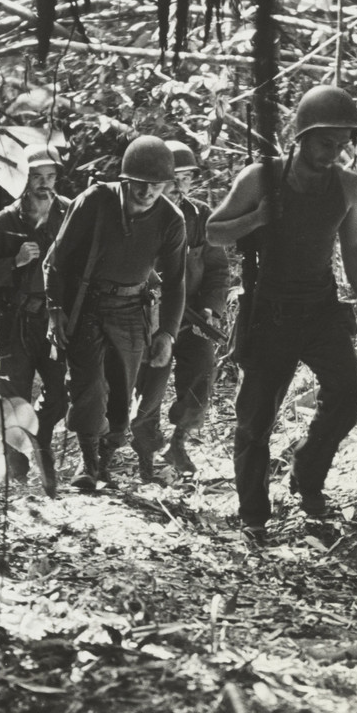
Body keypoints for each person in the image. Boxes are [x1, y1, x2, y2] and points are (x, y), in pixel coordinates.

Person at [206, 85, 357, 541]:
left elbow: (353, 249)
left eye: (343, 145)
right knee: (255, 419)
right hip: (269, 313)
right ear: (302, 136)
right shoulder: (261, 178)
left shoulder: (346, 185)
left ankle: (307, 476)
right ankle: (253, 514)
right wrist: (257, 219)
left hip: (321, 310)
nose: (334, 153)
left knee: (346, 395)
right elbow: (213, 233)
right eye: (326, 143)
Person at [45, 135, 186, 491]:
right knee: (88, 385)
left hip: (131, 309)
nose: (148, 192)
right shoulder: (95, 202)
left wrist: (167, 333)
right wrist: (54, 309)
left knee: (122, 394)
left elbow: (175, 283)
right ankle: (88, 463)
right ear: (126, 180)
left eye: (157, 186)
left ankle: (106, 460)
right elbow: (56, 261)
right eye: (140, 184)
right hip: (87, 304)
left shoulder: (171, 220)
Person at [0, 145, 71, 496]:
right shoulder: (6, 220)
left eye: (51, 177)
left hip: (56, 321)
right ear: (24, 180)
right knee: (13, 400)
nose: (45, 184)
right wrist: (15, 261)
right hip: (16, 322)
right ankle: (20, 475)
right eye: (37, 177)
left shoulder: (70, 213)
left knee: (62, 392)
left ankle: (39, 437)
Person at [130, 141, 229, 482]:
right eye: (175, 178)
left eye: (187, 179)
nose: (181, 187)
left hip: (191, 317)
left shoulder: (200, 216)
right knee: (150, 386)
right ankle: (145, 457)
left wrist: (210, 307)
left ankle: (179, 441)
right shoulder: (139, 213)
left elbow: (217, 269)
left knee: (202, 370)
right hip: (149, 317)